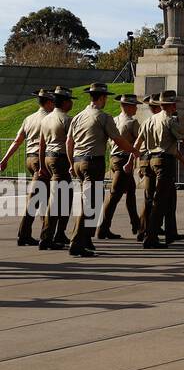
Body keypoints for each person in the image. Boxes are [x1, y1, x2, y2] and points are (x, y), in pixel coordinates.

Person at [64, 83, 137, 258]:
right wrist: (134, 150)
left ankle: (87, 240)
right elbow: (117, 139)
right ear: (102, 98)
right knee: (90, 204)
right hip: (93, 163)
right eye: (105, 98)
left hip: (78, 161)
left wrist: (70, 163)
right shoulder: (103, 117)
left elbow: (69, 143)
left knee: (90, 201)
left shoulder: (79, 116)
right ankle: (77, 243)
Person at [138, 90, 184, 249]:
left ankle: (168, 233)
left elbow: (137, 143)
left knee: (165, 199)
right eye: (174, 103)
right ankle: (151, 237)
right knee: (160, 201)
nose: (176, 105)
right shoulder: (169, 121)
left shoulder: (149, 121)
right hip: (164, 162)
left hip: (151, 160)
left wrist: (132, 161)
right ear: (169, 105)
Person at [5, 88, 55, 247]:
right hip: (41, 160)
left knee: (43, 198)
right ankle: (26, 234)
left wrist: (5, 159)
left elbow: (17, 141)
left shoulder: (29, 118)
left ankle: (44, 233)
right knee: (36, 199)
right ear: (48, 103)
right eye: (53, 102)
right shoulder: (49, 119)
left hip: (29, 159)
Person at [98, 93, 143, 240]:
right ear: (128, 107)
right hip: (124, 160)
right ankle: (103, 228)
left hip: (114, 158)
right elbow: (139, 142)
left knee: (131, 192)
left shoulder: (114, 120)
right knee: (114, 195)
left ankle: (136, 224)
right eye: (134, 105)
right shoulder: (132, 123)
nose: (136, 108)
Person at [38, 87, 76, 250]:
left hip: (48, 157)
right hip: (61, 159)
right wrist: (72, 164)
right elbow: (71, 144)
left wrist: (41, 165)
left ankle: (58, 234)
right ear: (66, 102)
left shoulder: (46, 119)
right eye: (70, 100)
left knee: (60, 198)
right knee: (59, 201)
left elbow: (41, 145)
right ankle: (47, 237)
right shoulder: (67, 120)